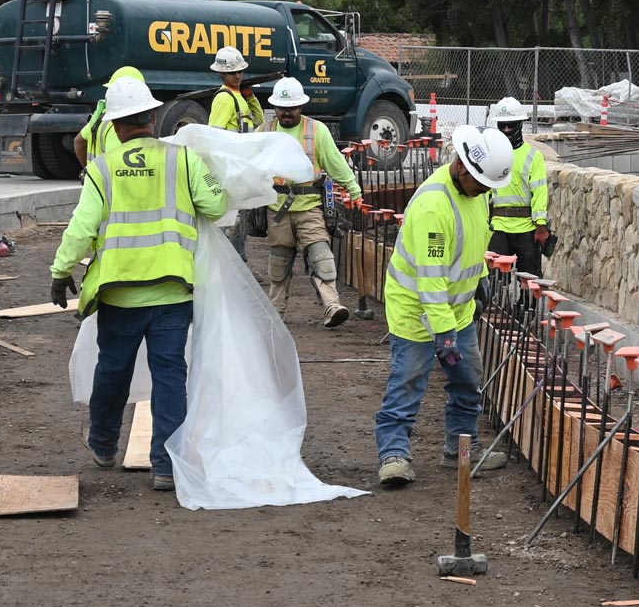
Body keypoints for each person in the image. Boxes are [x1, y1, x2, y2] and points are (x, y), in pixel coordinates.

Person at [47, 70, 229, 493]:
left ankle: (104, 445)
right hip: (172, 289)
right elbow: (216, 205)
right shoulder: (181, 159)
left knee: (112, 370)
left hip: (120, 292)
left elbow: (81, 228)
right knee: (169, 376)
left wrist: (60, 272)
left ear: (112, 124)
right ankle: (166, 466)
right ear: (152, 115)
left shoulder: (102, 168)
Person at [375, 124, 514, 489]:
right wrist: (445, 333)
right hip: (418, 313)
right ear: (463, 168)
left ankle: (461, 452)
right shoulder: (433, 208)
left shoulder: (476, 192)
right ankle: (394, 455)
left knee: (468, 383)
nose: (487, 190)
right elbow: (431, 281)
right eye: (483, 182)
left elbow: (473, 240)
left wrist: (480, 277)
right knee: (408, 382)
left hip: (457, 310)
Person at [261, 75, 359, 328]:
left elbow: (336, 164)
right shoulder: (265, 132)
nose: (286, 113)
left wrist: (354, 190)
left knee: (321, 257)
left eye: (291, 108)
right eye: (282, 108)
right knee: (279, 264)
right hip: (278, 209)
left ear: (300, 107)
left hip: (309, 208)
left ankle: (332, 306)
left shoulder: (316, 131)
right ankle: (276, 312)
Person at [202, 45, 263, 258]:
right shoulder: (224, 98)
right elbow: (214, 136)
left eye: (240, 71)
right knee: (231, 221)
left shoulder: (238, 96)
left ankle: (238, 263)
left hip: (239, 167)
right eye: (232, 72)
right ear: (222, 73)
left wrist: (251, 97)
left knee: (240, 220)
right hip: (229, 169)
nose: (237, 76)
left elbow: (261, 123)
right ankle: (229, 265)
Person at [486, 97, 552, 275]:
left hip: (527, 228)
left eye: (511, 125)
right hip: (498, 226)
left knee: (529, 282)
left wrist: (540, 226)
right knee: (495, 281)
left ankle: (527, 303)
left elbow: (539, 191)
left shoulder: (533, 156)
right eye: (502, 125)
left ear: (520, 125)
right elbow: (485, 192)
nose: (507, 130)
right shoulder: (491, 154)